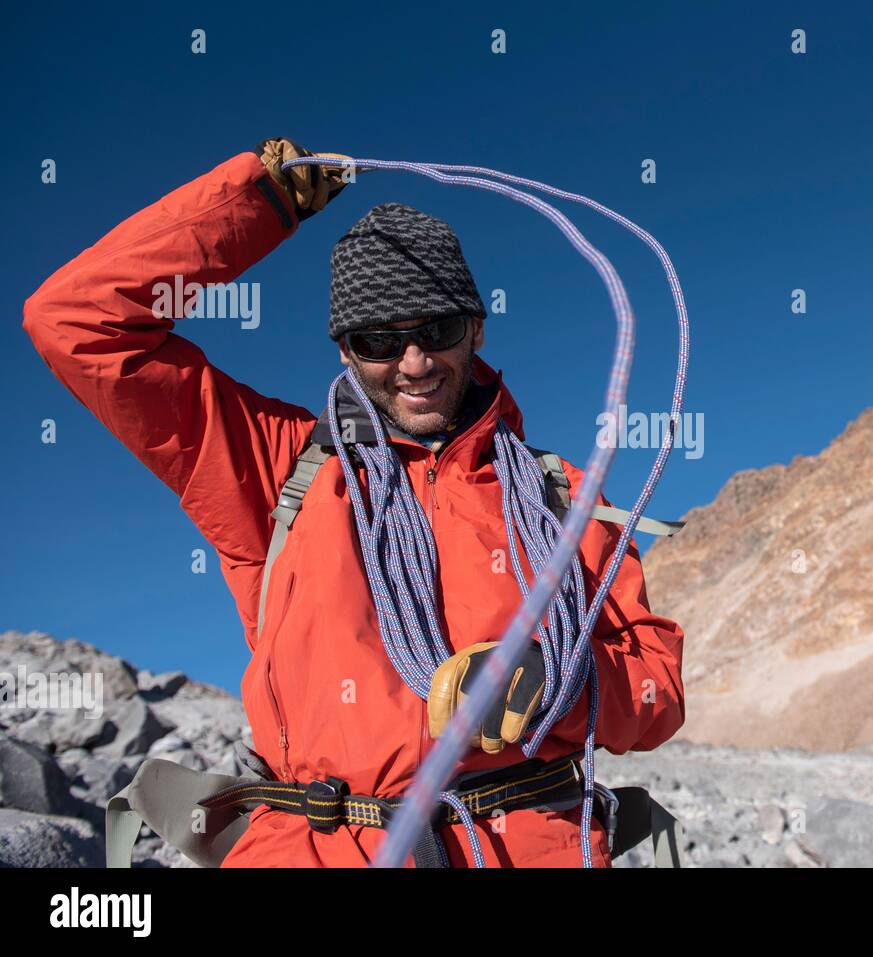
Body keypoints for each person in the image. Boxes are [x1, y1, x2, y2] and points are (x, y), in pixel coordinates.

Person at [22, 139, 686, 867]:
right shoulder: (278, 471)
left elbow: (659, 689)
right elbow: (75, 325)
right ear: (345, 352)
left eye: (438, 328)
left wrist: (560, 677)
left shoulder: (561, 494)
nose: (414, 362)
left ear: (478, 328)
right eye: (379, 339)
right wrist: (256, 202)